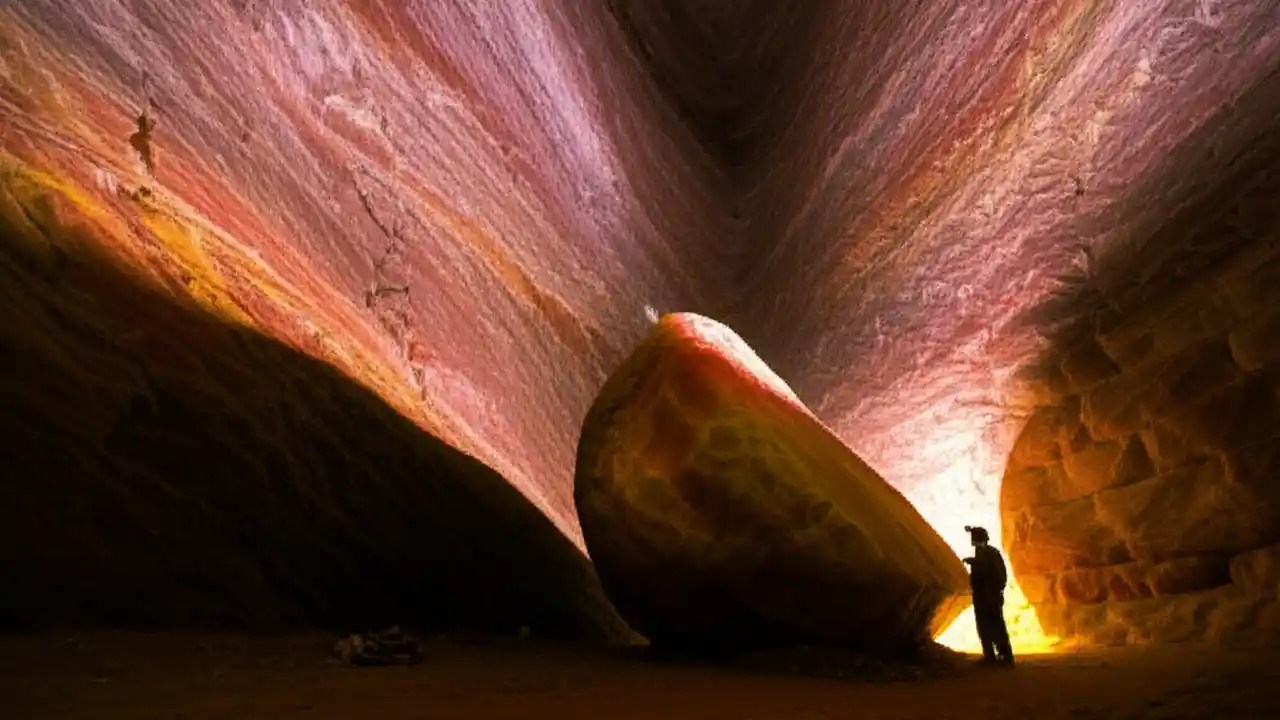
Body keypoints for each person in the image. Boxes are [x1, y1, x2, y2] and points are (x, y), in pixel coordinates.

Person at [962, 525, 1014, 665]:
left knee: (995, 626)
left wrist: (973, 562)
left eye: (974, 538)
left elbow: (990, 572)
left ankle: (1003, 657)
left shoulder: (987, 554)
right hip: (984, 596)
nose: (972, 541)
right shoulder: (986, 552)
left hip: (989, 597)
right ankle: (992, 656)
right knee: (986, 626)